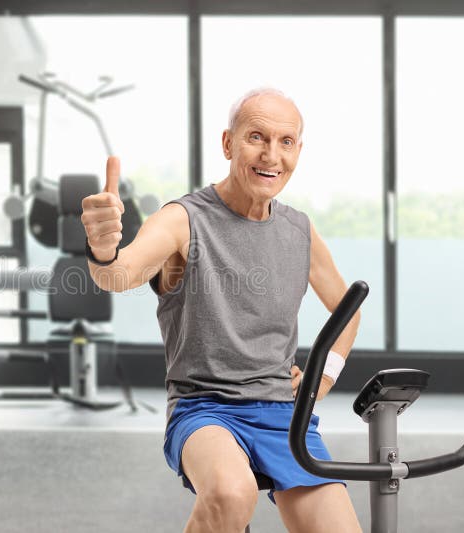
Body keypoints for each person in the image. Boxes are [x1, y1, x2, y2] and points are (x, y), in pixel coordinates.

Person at [81, 87, 362, 533]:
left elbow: (349, 310)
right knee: (233, 493)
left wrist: (322, 377)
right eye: (257, 137)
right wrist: (102, 249)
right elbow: (120, 274)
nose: (272, 155)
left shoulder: (299, 231)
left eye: (286, 142)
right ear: (228, 143)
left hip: (282, 415)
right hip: (205, 410)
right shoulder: (183, 219)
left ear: (298, 151)